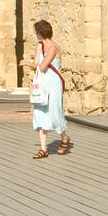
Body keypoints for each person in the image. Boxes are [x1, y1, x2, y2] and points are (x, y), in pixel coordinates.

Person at [19, 19, 69, 159]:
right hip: (42, 83)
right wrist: (31, 63)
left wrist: (26, 63)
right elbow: (37, 62)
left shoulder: (53, 48)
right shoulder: (39, 46)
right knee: (40, 111)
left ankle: (64, 138)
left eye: (37, 32)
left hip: (53, 83)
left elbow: (42, 66)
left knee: (55, 111)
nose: (36, 34)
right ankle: (43, 149)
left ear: (41, 32)